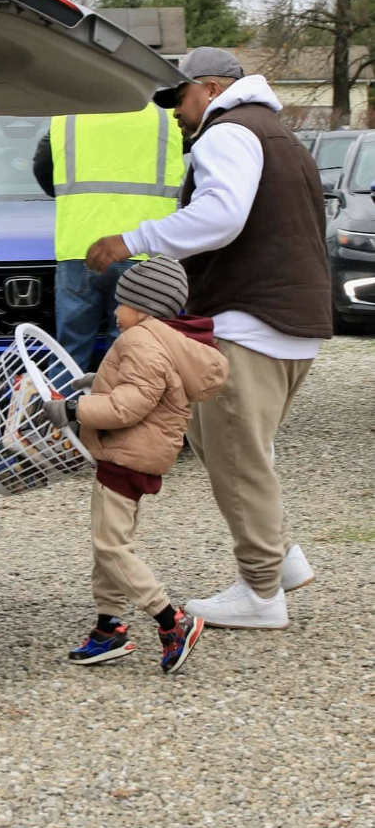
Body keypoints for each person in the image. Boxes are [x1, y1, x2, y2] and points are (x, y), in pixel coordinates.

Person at [85, 48, 331, 629]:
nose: (171, 111)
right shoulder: (282, 135)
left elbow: (222, 215)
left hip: (249, 320)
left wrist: (132, 239)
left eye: (177, 97)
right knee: (248, 449)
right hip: (293, 323)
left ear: (212, 86)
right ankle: (283, 559)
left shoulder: (227, 132)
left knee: (234, 456)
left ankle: (261, 591)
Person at [43, 256, 228, 673]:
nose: (114, 310)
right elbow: (144, 388)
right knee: (108, 543)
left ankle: (170, 620)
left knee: (111, 545)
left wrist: (74, 409)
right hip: (135, 453)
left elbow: (128, 406)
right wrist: (98, 382)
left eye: (122, 303)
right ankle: (108, 628)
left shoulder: (142, 342)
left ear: (144, 308)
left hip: (125, 453)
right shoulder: (161, 340)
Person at [32, 104, 184, 371]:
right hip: (142, 250)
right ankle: (122, 409)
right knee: (133, 352)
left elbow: (44, 168)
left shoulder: (68, 117)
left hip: (80, 246)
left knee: (69, 352)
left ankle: (62, 410)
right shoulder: (167, 117)